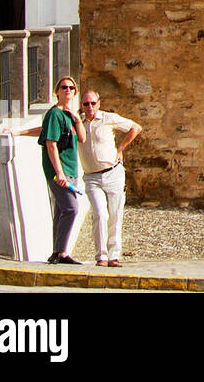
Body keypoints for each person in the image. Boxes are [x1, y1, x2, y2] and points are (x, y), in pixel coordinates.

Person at [78, 90, 141, 267]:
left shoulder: (107, 118)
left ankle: (114, 255)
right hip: (91, 177)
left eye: (92, 103)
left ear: (98, 103)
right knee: (99, 213)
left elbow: (135, 128)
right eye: (85, 104)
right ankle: (101, 256)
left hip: (112, 173)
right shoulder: (78, 122)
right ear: (81, 105)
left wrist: (120, 148)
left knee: (115, 214)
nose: (89, 107)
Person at [37, 76, 87, 263]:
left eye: (71, 88)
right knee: (71, 209)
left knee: (61, 211)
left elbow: (82, 138)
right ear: (57, 91)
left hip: (71, 169)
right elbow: (50, 144)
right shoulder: (54, 114)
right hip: (59, 171)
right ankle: (62, 252)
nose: (67, 90)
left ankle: (56, 253)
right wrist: (59, 173)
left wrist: (77, 119)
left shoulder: (69, 115)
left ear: (75, 92)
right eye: (64, 87)